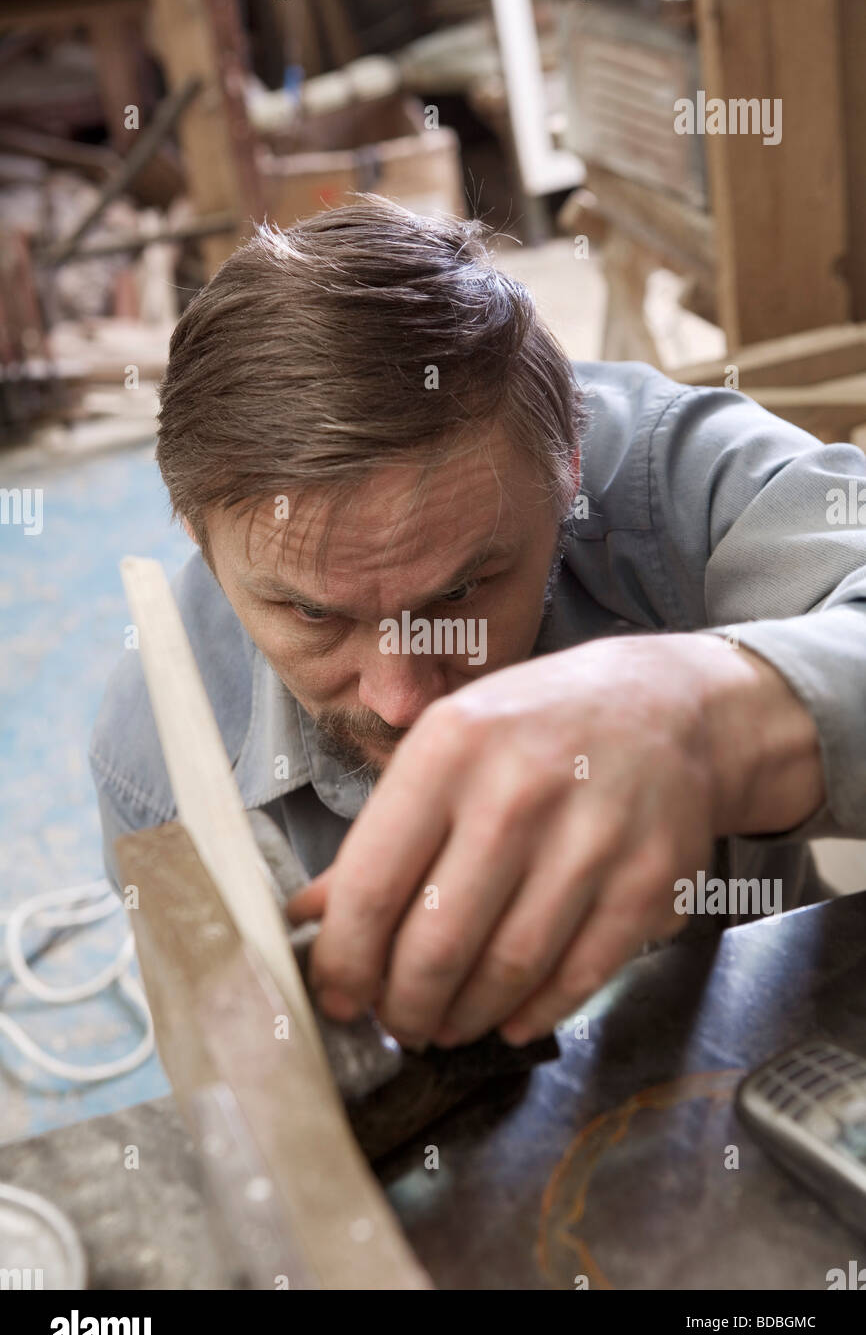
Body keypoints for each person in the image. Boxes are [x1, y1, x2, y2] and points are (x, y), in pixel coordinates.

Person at [90, 196, 866, 1053]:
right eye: (312, 612)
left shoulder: (667, 476)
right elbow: (242, 1111)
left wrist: (712, 714)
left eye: (461, 592)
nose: (401, 698)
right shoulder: (151, 766)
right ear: (196, 533)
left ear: (568, 468)